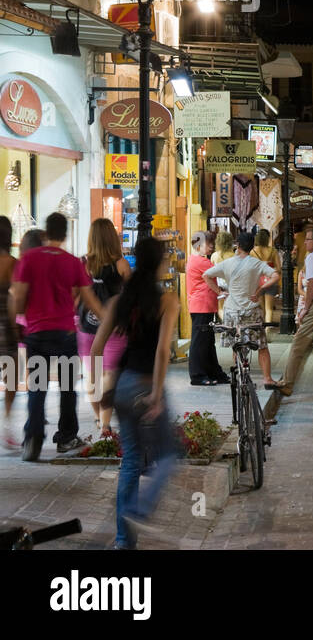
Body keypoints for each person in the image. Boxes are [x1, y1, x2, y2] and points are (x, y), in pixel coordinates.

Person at [91, 238, 179, 549]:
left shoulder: (120, 301)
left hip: (123, 385)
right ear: (160, 263)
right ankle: (138, 510)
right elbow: (163, 351)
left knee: (130, 460)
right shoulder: (168, 300)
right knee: (168, 454)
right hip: (145, 384)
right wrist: (156, 393)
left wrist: (97, 390)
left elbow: (96, 348)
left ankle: (123, 541)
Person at [10, 213, 107, 461]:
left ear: (46, 232)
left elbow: (19, 298)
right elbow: (89, 299)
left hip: (37, 334)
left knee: (38, 388)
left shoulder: (29, 259)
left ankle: (33, 439)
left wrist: (20, 317)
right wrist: (108, 320)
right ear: (65, 234)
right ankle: (65, 437)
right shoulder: (73, 262)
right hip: (65, 334)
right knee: (67, 389)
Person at [264, 226, 313, 422]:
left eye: (307, 240)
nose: (305, 243)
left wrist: (305, 307)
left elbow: (312, 283)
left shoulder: (312, 258)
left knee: (299, 343)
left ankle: (288, 383)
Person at [203, 231, 281, 391]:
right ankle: (267, 379)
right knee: (261, 346)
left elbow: (206, 275)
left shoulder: (228, 263)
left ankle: (239, 375)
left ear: (237, 245)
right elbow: (275, 275)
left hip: (232, 310)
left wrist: (219, 292)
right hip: (251, 310)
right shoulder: (256, 263)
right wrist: (260, 289)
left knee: (237, 345)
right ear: (252, 247)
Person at [80, 218, 131, 436]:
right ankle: (105, 423)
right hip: (115, 328)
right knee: (108, 375)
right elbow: (131, 297)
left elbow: (76, 294)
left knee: (91, 376)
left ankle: (99, 418)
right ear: (112, 237)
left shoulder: (83, 263)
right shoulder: (121, 264)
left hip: (86, 326)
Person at [186, 231, 227, 386]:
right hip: (201, 305)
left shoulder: (196, 260)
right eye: (208, 244)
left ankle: (214, 372)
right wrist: (220, 292)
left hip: (204, 305)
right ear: (199, 245)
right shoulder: (201, 262)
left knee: (208, 341)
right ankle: (197, 375)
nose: (211, 247)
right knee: (200, 342)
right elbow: (219, 271)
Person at [0, 217, 17, 448]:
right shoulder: (12, 263)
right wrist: (16, 328)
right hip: (4, 325)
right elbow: (16, 297)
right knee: (10, 379)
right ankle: (7, 423)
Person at [250, 229, 280, 330]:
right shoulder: (273, 251)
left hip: (257, 281)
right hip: (271, 280)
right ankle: (268, 330)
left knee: (261, 308)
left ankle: (262, 328)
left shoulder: (253, 251)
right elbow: (279, 268)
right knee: (269, 308)